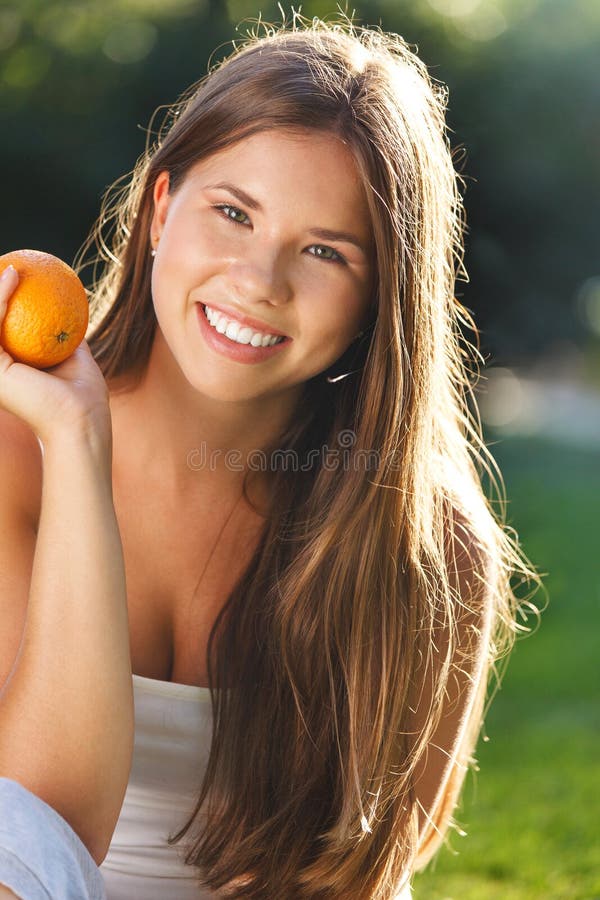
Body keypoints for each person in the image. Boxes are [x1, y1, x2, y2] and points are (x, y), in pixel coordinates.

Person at [0, 15, 536, 900]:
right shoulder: (17, 453)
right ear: (161, 207)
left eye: (326, 250)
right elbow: (31, 839)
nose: (261, 280)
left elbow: (356, 876)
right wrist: (74, 443)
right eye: (234, 213)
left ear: (381, 299)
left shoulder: (430, 549)